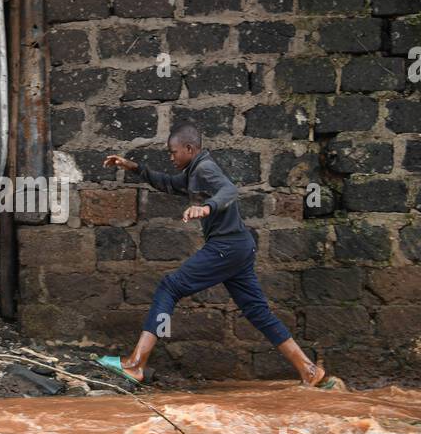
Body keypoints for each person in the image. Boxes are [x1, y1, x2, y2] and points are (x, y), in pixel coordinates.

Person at [96, 122, 340, 389]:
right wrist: (132, 166)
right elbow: (167, 183)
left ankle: (136, 364)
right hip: (239, 247)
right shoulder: (193, 171)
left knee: (170, 286)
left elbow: (229, 191)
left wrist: (206, 208)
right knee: (258, 312)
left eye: (173, 152)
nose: (171, 157)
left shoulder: (205, 168)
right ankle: (309, 370)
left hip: (226, 247)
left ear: (189, 149)